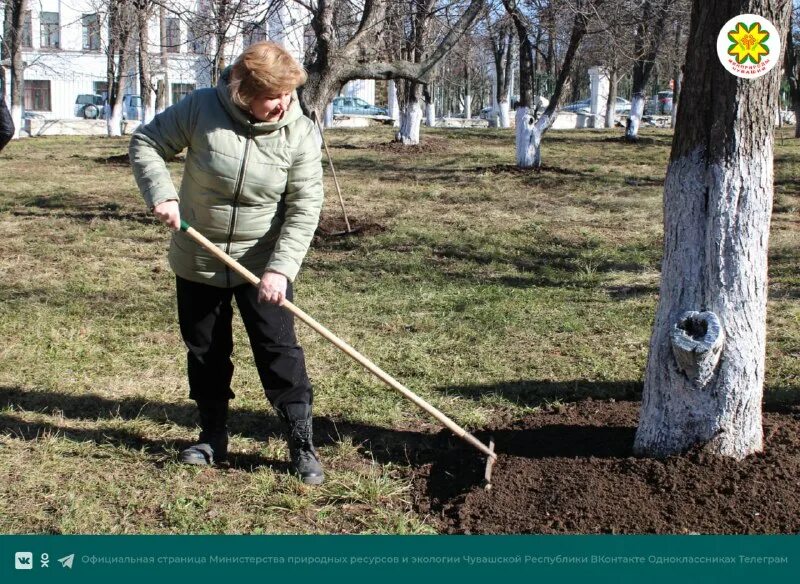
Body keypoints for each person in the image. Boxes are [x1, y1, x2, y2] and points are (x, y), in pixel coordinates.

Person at [129, 42, 325, 484]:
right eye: (274, 96)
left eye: (289, 95)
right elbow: (146, 141)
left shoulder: (300, 132)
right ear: (243, 92)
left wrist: (280, 269)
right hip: (199, 254)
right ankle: (212, 434)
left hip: (261, 263)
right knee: (206, 351)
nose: (283, 105)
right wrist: (161, 192)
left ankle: (301, 444)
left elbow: (305, 205)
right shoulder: (201, 107)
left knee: (279, 352)